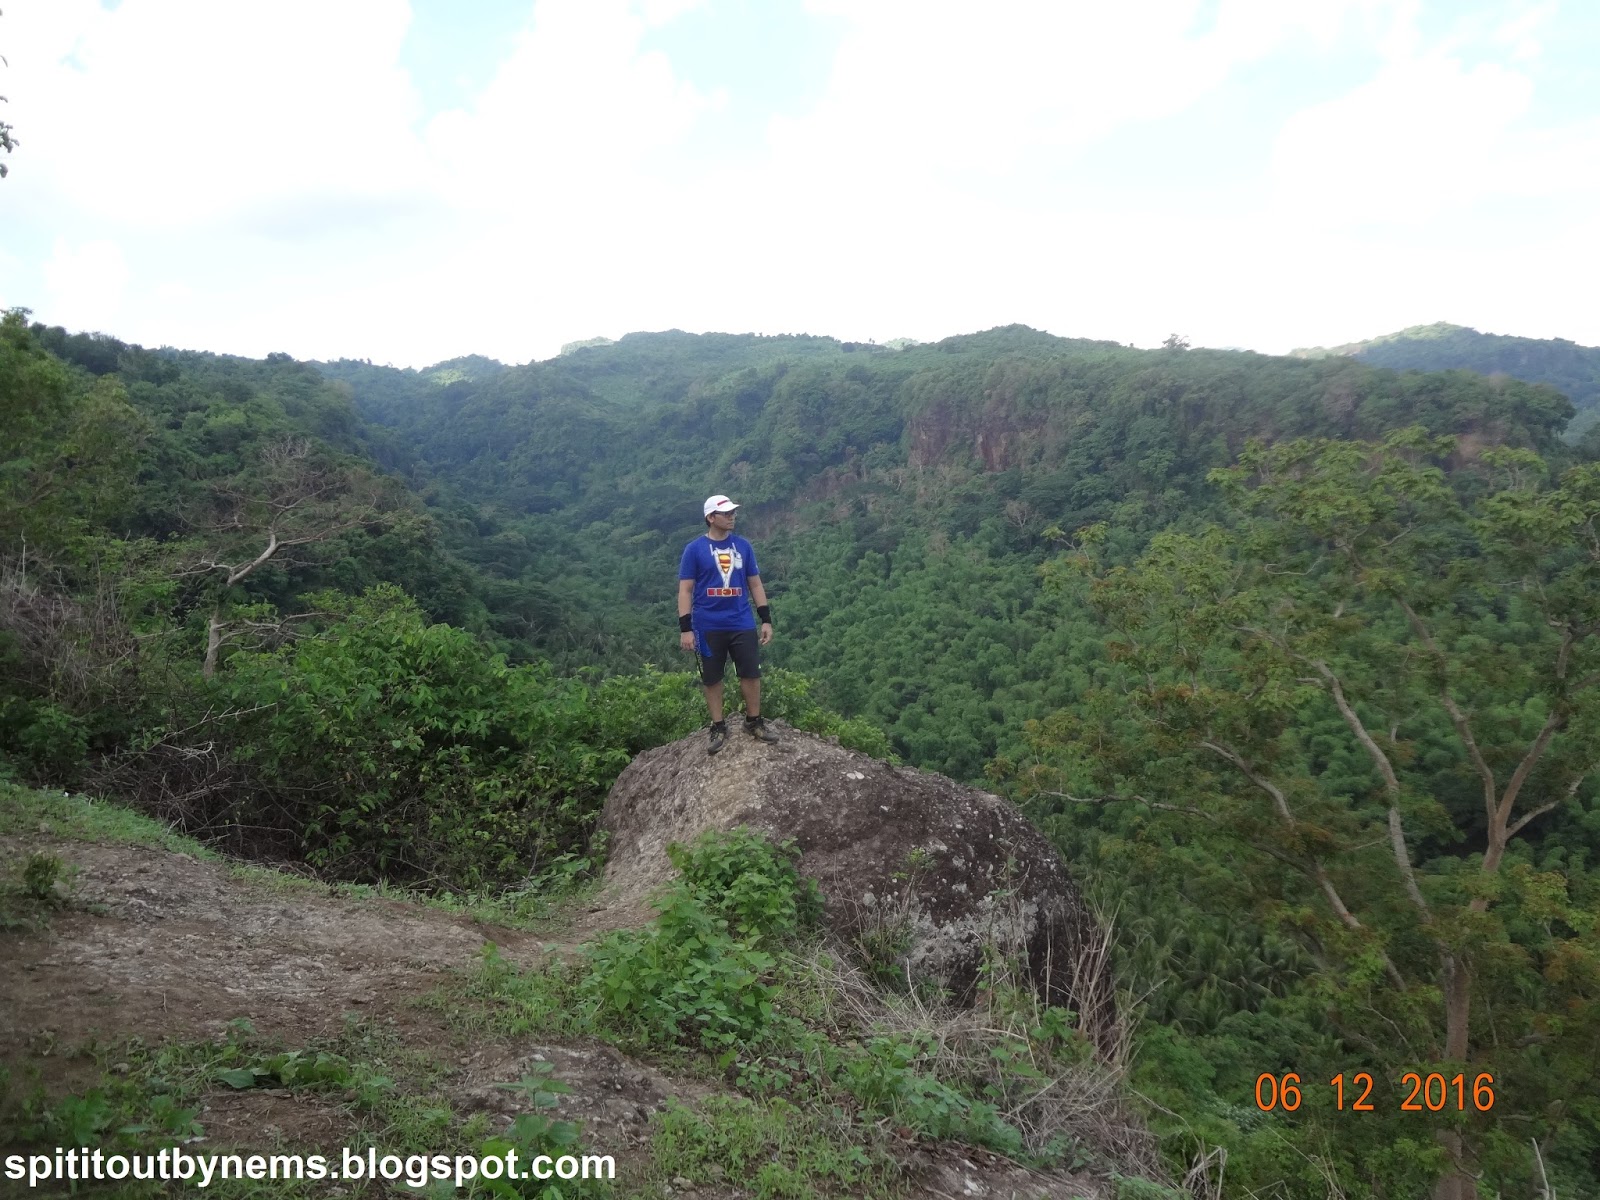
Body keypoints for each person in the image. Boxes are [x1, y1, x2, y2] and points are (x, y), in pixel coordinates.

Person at [678, 494, 778, 754]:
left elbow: (755, 584)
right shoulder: (694, 550)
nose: (732, 517)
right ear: (711, 517)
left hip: (741, 621)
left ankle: (753, 721)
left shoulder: (743, 546)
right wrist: (686, 628)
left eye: (733, 512)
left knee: (751, 672)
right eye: (726, 513)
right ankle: (718, 725)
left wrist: (765, 619)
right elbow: (685, 590)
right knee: (712, 677)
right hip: (707, 625)